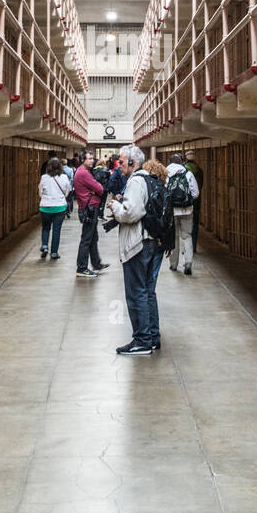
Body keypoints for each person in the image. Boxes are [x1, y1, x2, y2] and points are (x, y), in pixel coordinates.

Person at [106, 144, 159, 355]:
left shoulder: (136, 181)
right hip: (150, 241)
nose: (119, 165)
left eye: (122, 161)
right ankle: (152, 336)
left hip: (138, 243)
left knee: (136, 292)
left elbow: (131, 214)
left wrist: (116, 207)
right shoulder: (149, 179)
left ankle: (142, 340)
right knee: (147, 292)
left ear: (132, 162)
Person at [74, 151, 109, 279]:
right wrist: (95, 190)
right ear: (83, 160)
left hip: (88, 207)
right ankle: (82, 268)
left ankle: (96, 263)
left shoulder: (82, 171)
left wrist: (94, 190)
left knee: (93, 238)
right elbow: (100, 188)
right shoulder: (84, 173)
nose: (92, 161)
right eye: (89, 159)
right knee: (87, 239)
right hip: (89, 209)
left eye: (92, 158)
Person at [166, 152, 199, 275]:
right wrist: (186, 200)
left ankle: (173, 264)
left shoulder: (166, 173)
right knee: (187, 236)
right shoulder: (188, 173)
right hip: (187, 210)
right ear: (182, 161)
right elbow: (195, 193)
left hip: (171, 211)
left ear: (170, 161)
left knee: (173, 237)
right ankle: (188, 262)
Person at [142, 158, 172, 284]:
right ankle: (150, 300)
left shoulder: (146, 191)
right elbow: (169, 220)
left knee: (143, 275)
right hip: (161, 241)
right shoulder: (165, 191)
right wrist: (170, 244)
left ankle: (144, 301)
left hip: (147, 238)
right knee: (153, 276)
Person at [38, 157, 71, 260]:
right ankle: (54, 253)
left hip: (46, 207)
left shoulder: (44, 177)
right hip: (59, 207)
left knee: (45, 228)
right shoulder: (64, 177)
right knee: (56, 230)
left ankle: (44, 246)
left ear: (49, 167)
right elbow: (67, 191)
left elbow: (40, 192)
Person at [184, 151, 204, 252]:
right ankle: (194, 247)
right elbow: (201, 186)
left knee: (185, 225)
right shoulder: (199, 170)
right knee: (195, 224)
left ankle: (187, 248)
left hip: (185, 202)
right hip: (196, 201)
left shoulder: (184, 170)